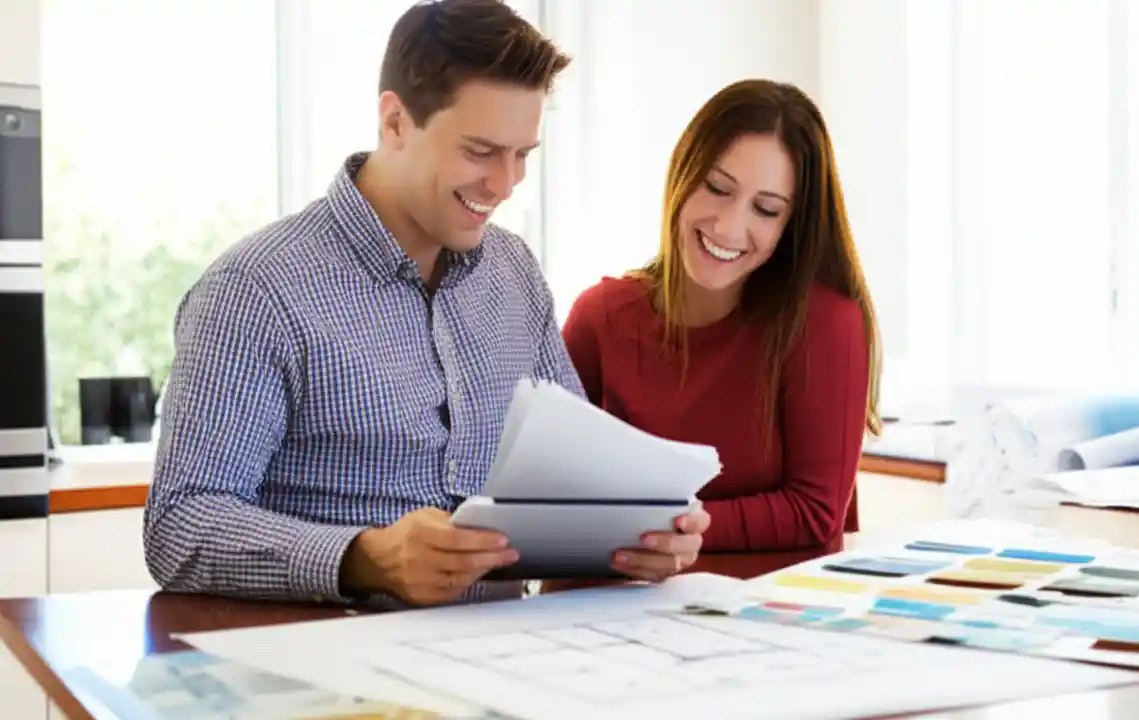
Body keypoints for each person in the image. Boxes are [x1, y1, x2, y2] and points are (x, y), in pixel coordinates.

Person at [143, 0, 709, 608]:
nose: (505, 184)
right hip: (334, 665)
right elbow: (179, 525)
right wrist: (364, 557)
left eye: (523, 155)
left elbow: (577, 479)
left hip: (506, 659)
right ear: (395, 123)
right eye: (480, 151)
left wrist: (639, 536)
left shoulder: (513, 273)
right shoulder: (257, 291)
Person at [561, 79, 882, 554]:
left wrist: (681, 529)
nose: (730, 227)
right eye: (716, 188)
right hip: (608, 606)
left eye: (767, 210)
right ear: (683, 174)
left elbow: (816, 511)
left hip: (762, 612)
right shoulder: (601, 318)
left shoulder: (823, 325)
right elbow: (547, 487)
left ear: (790, 226)